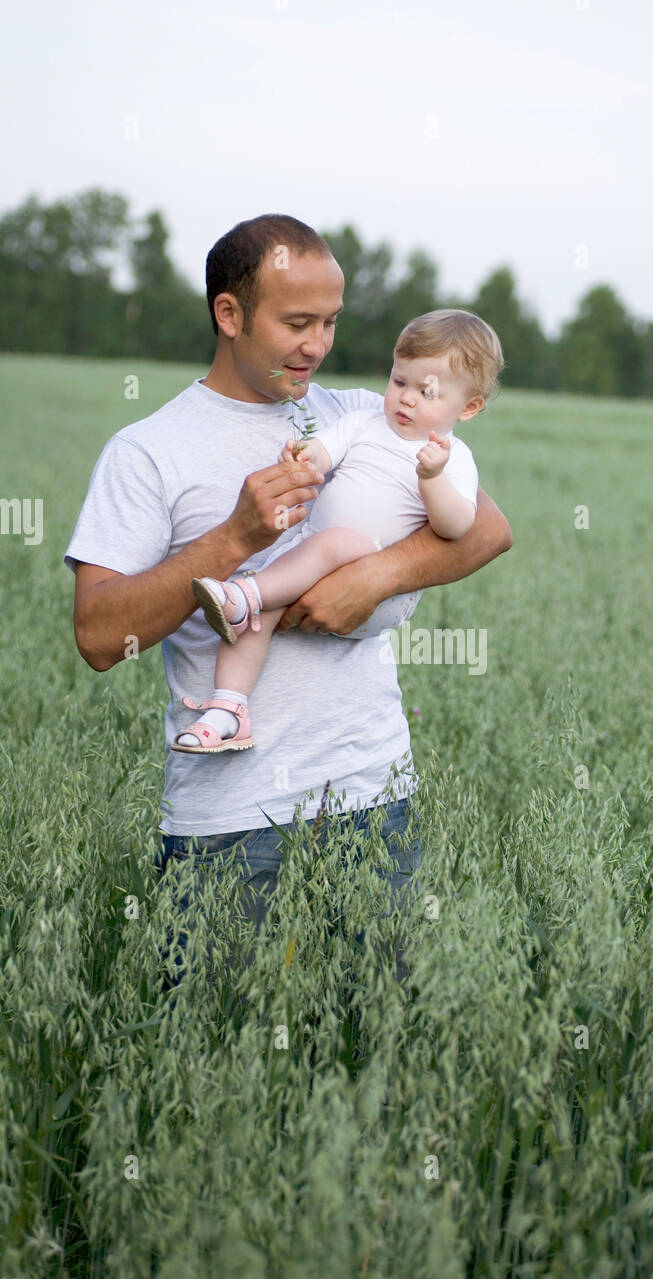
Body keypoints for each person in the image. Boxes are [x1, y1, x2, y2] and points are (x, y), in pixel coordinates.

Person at [66, 213, 512, 990]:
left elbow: (486, 531)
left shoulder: (358, 414)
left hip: (374, 797)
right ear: (229, 314)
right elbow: (100, 635)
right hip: (228, 822)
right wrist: (234, 537)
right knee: (207, 1063)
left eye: (332, 322)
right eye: (296, 322)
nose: (318, 345)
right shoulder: (146, 452)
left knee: (375, 1049)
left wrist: (374, 577)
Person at [172, 308, 502, 754]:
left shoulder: (451, 458)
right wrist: (303, 459)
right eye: (399, 381)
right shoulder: (363, 423)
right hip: (314, 560)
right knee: (257, 619)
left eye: (427, 391)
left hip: (378, 590)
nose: (405, 399)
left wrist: (432, 479)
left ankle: (244, 596)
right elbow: (325, 453)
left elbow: (458, 526)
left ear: (470, 407)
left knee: (324, 548)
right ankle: (228, 711)